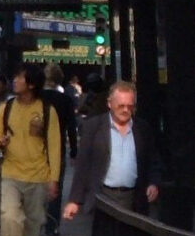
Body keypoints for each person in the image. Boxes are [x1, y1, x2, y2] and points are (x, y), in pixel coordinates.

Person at [0, 63, 60, 236]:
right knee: (9, 218)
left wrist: (54, 179)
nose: (15, 81)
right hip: (10, 173)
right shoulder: (5, 108)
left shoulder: (46, 111)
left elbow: (54, 146)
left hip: (38, 175)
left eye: (20, 78)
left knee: (34, 224)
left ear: (31, 83)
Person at [63, 80, 160, 219]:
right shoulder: (94, 127)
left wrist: (153, 183)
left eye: (130, 106)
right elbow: (83, 164)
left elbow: (153, 160)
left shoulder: (142, 129)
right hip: (103, 196)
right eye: (121, 106)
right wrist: (74, 200)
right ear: (109, 103)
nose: (126, 110)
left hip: (133, 198)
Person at [43, 62, 78, 236]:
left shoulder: (37, 97)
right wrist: (73, 150)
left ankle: (36, 220)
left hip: (37, 147)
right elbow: (72, 127)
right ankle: (52, 224)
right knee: (55, 184)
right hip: (57, 147)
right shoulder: (66, 100)